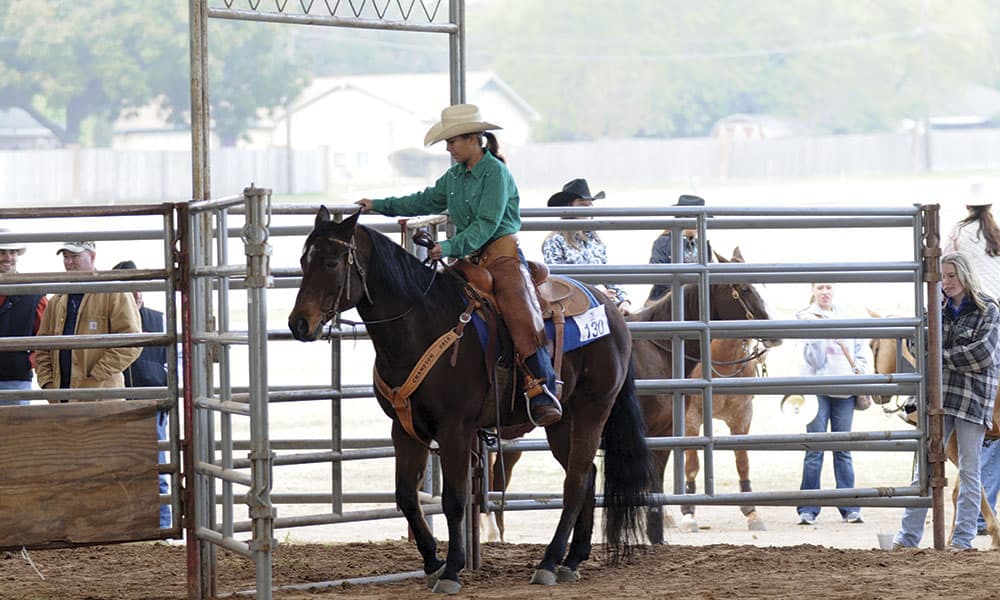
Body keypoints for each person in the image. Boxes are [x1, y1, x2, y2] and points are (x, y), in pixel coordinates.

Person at [355, 104, 562, 427]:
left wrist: (448, 247)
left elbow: (487, 224)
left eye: (453, 141)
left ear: (474, 139)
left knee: (518, 305)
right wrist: (379, 205)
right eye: (448, 142)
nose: (449, 148)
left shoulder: (496, 173)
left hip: (502, 256)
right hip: (470, 258)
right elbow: (423, 200)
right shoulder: (455, 176)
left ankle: (541, 385)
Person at [894, 251, 1000, 551]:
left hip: (971, 399)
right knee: (926, 468)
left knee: (969, 469)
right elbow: (916, 344)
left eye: (951, 276)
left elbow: (983, 355)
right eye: (942, 277)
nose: (946, 282)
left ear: (965, 275)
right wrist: (935, 340)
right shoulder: (935, 310)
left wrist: (939, 357)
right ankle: (908, 537)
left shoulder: (988, 310)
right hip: (941, 398)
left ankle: (962, 540)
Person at [944, 180, 1000, 535]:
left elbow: (946, 268)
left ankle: (911, 404)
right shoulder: (997, 234)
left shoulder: (958, 233)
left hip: (978, 307)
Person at [795, 282, 871, 525]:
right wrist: (818, 334)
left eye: (828, 287)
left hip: (845, 390)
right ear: (813, 290)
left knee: (843, 448)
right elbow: (814, 361)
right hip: (817, 389)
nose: (825, 292)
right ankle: (808, 508)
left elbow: (860, 350)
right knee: (814, 449)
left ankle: (849, 506)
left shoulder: (847, 315)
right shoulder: (806, 317)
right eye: (820, 288)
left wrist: (859, 367)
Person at [35, 241, 142, 399]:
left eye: (75, 256)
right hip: (62, 398)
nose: (69, 262)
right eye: (66, 256)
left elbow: (132, 342)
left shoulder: (114, 292)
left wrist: (96, 376)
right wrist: (47, 383)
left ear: (92, 256)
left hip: (101, 397)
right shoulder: (56, 300)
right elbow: (42, 346)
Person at [113, 259, 171, 529]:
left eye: (139, 286)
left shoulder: (159, 319)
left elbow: (176, 359)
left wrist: (170, 390)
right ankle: (129, 525)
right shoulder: (110, 321)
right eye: (128, 287)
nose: (136, 293)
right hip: (117, 403)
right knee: (119, 469)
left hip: (152, 402)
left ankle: (163, 527)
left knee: (156, 467)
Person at [541, 178, 631, 316]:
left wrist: (624, 299)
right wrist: (596, 293)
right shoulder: (555, 241)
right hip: (574, 305)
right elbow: (559, 281)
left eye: (590, 205)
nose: (588, 210)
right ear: (568, 209)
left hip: (600, 300)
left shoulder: (595, 240)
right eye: (583, 205)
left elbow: (607, 272)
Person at [0, 229, 47, 405]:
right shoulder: (34, 293)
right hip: (18, 380)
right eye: (2, 252)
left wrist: (28, 362)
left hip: (17, 381)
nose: (8, 257)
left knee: (16, 430)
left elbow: (47, 337)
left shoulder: (34, 295)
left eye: (12, 252)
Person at [646, 194, 713, 303]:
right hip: (665, 299)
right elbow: (656, 275)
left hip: (695, 298)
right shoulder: (664, 242)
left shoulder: (702, 244)